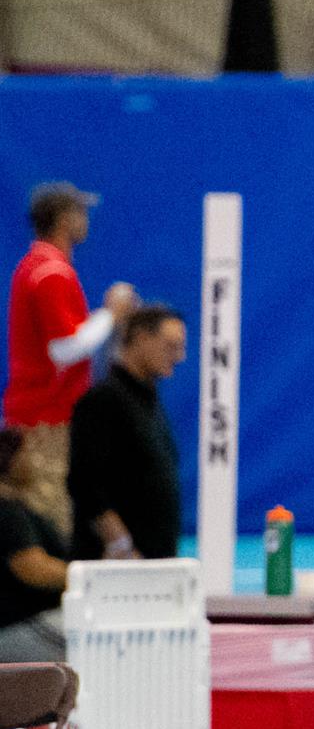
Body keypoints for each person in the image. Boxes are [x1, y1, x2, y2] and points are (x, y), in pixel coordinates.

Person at [3, 182, 137, 538]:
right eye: (81, 212)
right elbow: (63, 349)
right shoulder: (51, 273)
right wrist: (112, 314)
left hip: (41, 416)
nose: (86, 221)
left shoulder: (39, 266)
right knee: (48, 518)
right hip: (46, 420)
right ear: (65, 219)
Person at [67, 304, 187, 562]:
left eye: (181, 347)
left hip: (155, 558)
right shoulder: (103, 400)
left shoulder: (148, 402)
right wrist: (121, 546)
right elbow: (85, 484)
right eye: (171, 346)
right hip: (122, 567)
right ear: (142, 338)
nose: (179, 357)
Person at [0, 427, 72, 665]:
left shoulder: (16, 507)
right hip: (18, 626)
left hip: (26, 623)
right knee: (94, 632)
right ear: (10, 459)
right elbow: (32, 568)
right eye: (27, 452)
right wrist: (86, 575)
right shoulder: (8, 512)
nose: (33, 460)